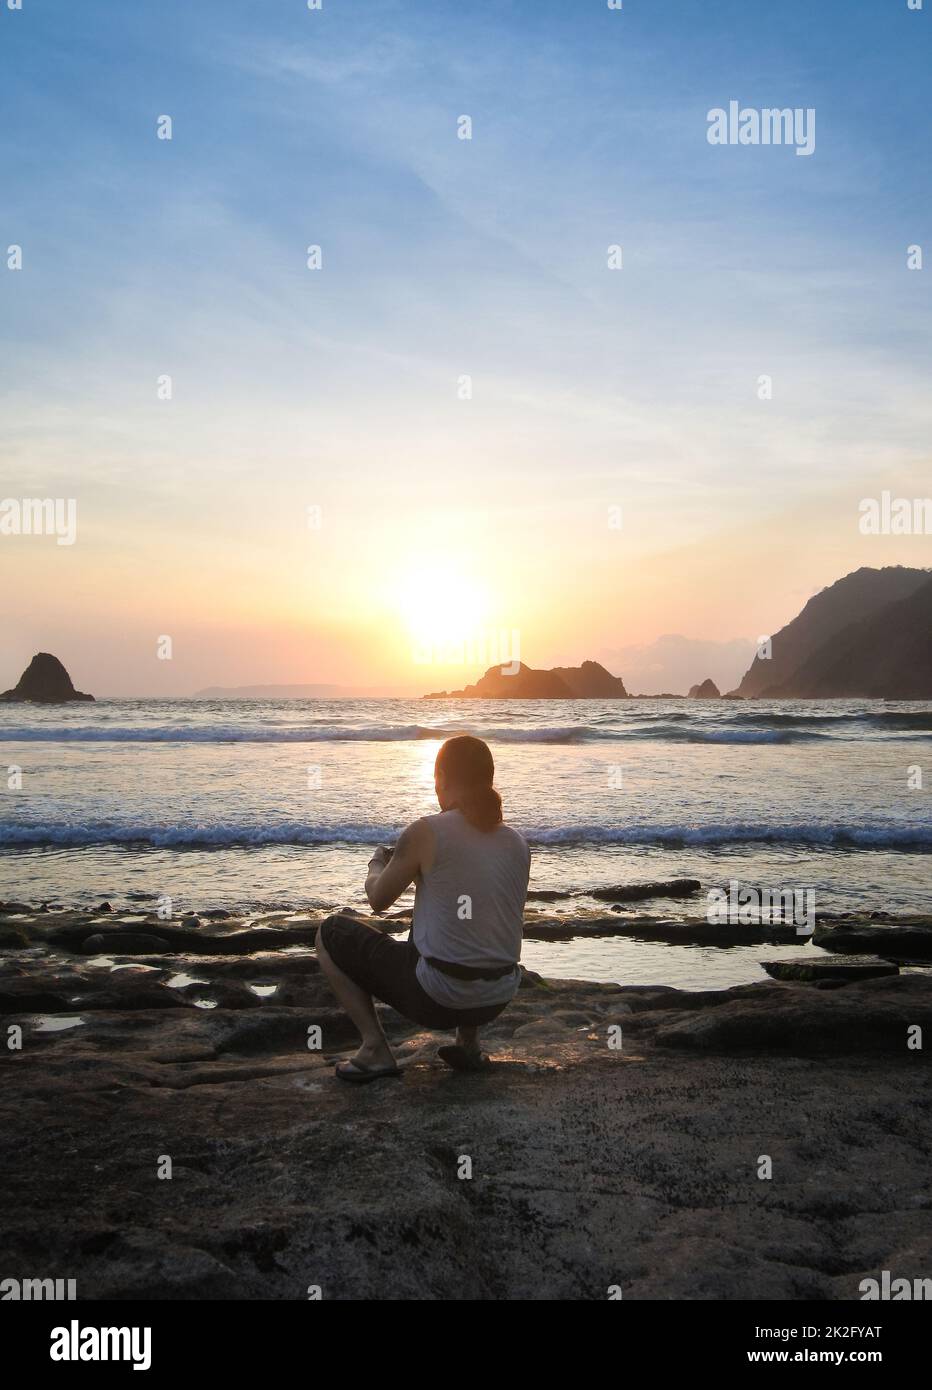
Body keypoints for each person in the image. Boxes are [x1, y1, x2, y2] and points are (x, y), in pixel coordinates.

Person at [316, 734, 530, 1082]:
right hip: (497, 997)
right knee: (471, 918)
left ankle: (374, 1048)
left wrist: (376, 865)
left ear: (442, 777)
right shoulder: (518, 843)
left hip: (436, 1000)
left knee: (330, 932)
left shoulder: (425, 831)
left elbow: (378, 901)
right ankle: (469, 1042)